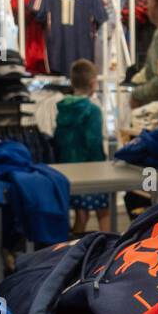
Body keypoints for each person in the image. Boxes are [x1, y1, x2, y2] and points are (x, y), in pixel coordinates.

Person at [54, 58, 110, 233]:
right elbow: (93, 143)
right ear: (93, 84)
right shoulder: (93, 110)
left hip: (68, 171)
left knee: (81, 215)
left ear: (72, 82)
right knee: (104, 214)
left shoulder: (61, 108)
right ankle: (110, 254)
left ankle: (74, 252)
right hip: (92, 170)